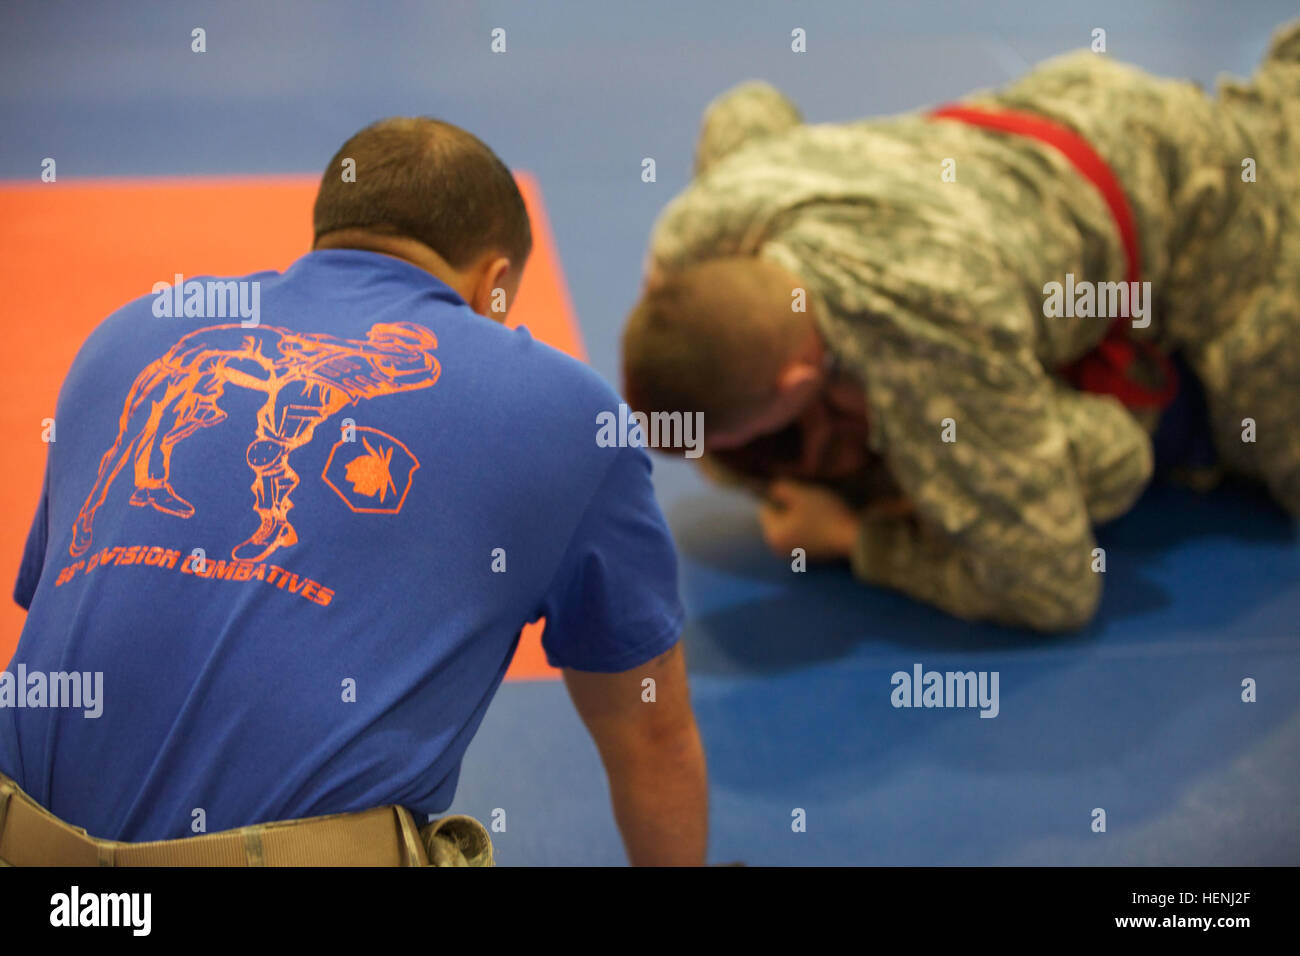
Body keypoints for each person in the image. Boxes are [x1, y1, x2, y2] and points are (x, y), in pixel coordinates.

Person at [0, 117, 707, 866]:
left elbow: (71, 605)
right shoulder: (571, 413)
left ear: (326, 231)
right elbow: (651, 731)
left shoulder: (127, 333)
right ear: (495, 283)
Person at [622, 22, 1300, 632]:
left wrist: (855, 539)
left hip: (1222, 223)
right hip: (1081, 110)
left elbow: (1052, 588)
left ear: (799, 379)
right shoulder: (712, 214)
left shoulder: (925, 341)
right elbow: (748, 106)